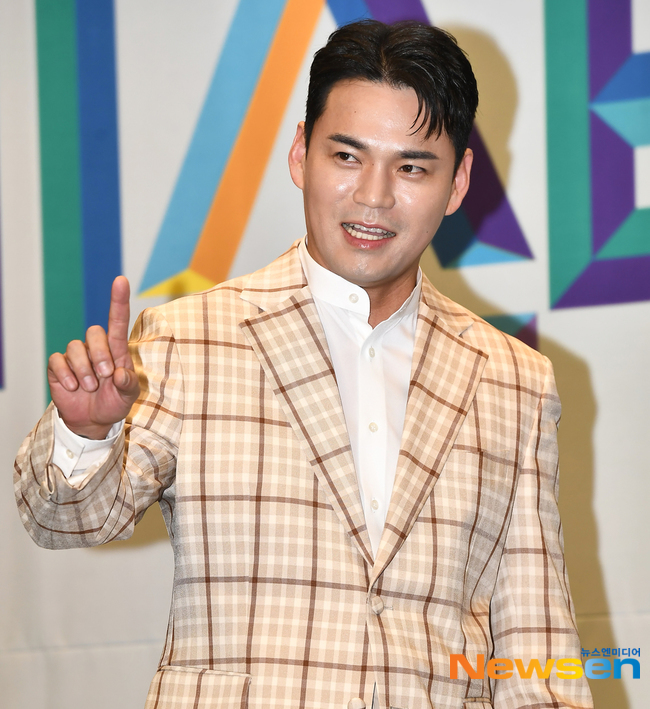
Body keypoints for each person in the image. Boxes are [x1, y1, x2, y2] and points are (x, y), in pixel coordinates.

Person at [14, 20, 593, 709]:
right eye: (347, 156)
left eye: (412, 167)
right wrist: (86, 434)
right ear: (300, 154)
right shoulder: (188, 339)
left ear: (459, 181)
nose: (374, 196)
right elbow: (63, 520)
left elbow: (537, 643)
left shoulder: (514, 379)